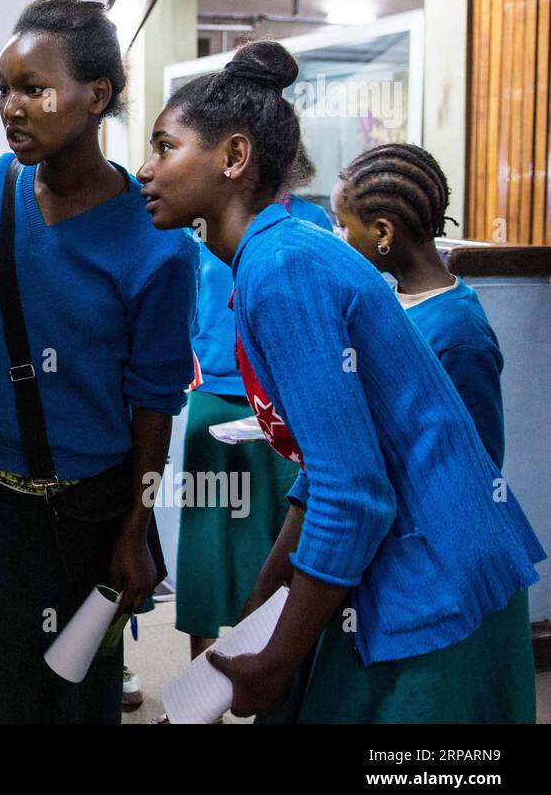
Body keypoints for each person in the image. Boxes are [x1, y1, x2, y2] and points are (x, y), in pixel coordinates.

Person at [136, 40, 545, 724]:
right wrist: (266, 596)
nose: (146, 170)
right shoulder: (275, 256)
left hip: (435, 582)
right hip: (418, 564)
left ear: (234, 158)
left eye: (164, 147)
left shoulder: (282, 269)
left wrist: (275, 657)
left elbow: (354, 492)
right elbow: (332, 463)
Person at [0, 0, 197, 723]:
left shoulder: (156, 241)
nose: (12, 107)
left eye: (33, 88)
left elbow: (156, 399)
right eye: (4, 88)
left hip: (80, 517)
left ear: (96, 95)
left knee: (60, 698)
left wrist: (136, 526)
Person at [175, 145, 333, 661]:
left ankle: (280, 677)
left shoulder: (311, 221)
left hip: (288, 407)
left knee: (285, 540)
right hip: (216, 397)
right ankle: (202, 684)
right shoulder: (200, 220)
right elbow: (181, 302)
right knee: (208, 545)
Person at [331, 143, 505, 469]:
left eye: (343, 226)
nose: (337, 237)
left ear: (383, 232)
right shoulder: (386, 299)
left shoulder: (459, 335)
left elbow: (479, 464)